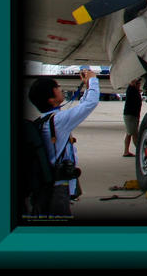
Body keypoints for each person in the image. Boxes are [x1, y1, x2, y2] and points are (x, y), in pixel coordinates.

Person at [27, 68, 100, 217]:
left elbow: (82, 107)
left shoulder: (46, 121)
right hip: (57, 187)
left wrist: (87, 87)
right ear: (51, 99)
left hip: (49, 184)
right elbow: (89, 104)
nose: (61, 89)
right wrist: (93, 80)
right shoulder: (58, 121)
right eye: (57, 87)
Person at [122, 78, 142, 157]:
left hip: (132, 115)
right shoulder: (131, 89)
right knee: (134, 134)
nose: (140, 85)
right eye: (138, 83)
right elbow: (132, 84)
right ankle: (140, 150)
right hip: (131, 115)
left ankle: (126, 151)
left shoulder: (135, 90)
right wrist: (133, 82)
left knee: (129, 133)